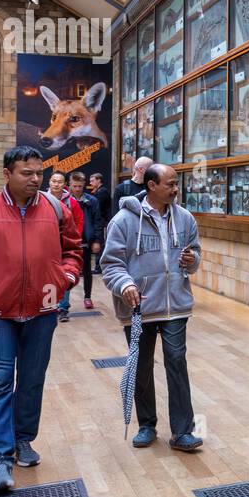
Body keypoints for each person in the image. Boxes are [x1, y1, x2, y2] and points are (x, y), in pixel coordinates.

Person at [0, 146, 82, 495]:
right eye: (27, 173)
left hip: (44, 308)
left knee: (33, 379)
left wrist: (65, 277)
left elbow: (73, 249)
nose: (35, 179)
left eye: (39, 172)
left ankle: (23, 440)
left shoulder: (56, 209)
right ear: (7, 174)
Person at [101, 163, 203, 452]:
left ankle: (183, 431)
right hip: (139, 306)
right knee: (142, 367)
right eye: (170, 183)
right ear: (151, 186)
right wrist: (125, 285)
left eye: (176, 183)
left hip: (175, 305)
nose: (175, 188)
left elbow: (195, 253)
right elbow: (110, 263)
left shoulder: (185, 218)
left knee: (176, 361)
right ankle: (147, 424)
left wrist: (191, 261)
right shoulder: (123, 220)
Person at [46, 172, 84, 322]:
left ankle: (63, 307)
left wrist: (74, 240)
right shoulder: (40, 199)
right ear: (49, 182)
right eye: (54, 181)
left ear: (64, 184)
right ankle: (48, 305)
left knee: (64, 274)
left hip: (65, 246)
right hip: (46, 245)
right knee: (47, 275)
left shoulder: (72, 202)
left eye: (59, 182)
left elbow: (79, 221)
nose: (56, 184)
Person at [69, 171, 101, 308]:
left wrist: (97, 240)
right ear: (69, 184)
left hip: (86, 241)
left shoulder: (92, 201)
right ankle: (63, 302)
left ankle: (87, 297)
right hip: (69, 242)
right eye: (74, 186)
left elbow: (98, 221)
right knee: (66, 270)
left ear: (84, 185)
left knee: (87, 270)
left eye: (80, 186)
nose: (77, 189)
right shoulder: (65, 200)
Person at [112, 157, 150, 222]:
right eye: (150, 168)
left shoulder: (151, 187)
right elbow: (115, 216)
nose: (153, 171)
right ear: (141, 169)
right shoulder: (121, 188)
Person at [88, 172, 111, 273]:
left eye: (92, 180)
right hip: (100, 221)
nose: (90, 182)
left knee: (100, 244)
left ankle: (99, 267)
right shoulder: (99, 191)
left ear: (99, 180)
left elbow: (97, 208)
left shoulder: (102, 192)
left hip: (102, 222)